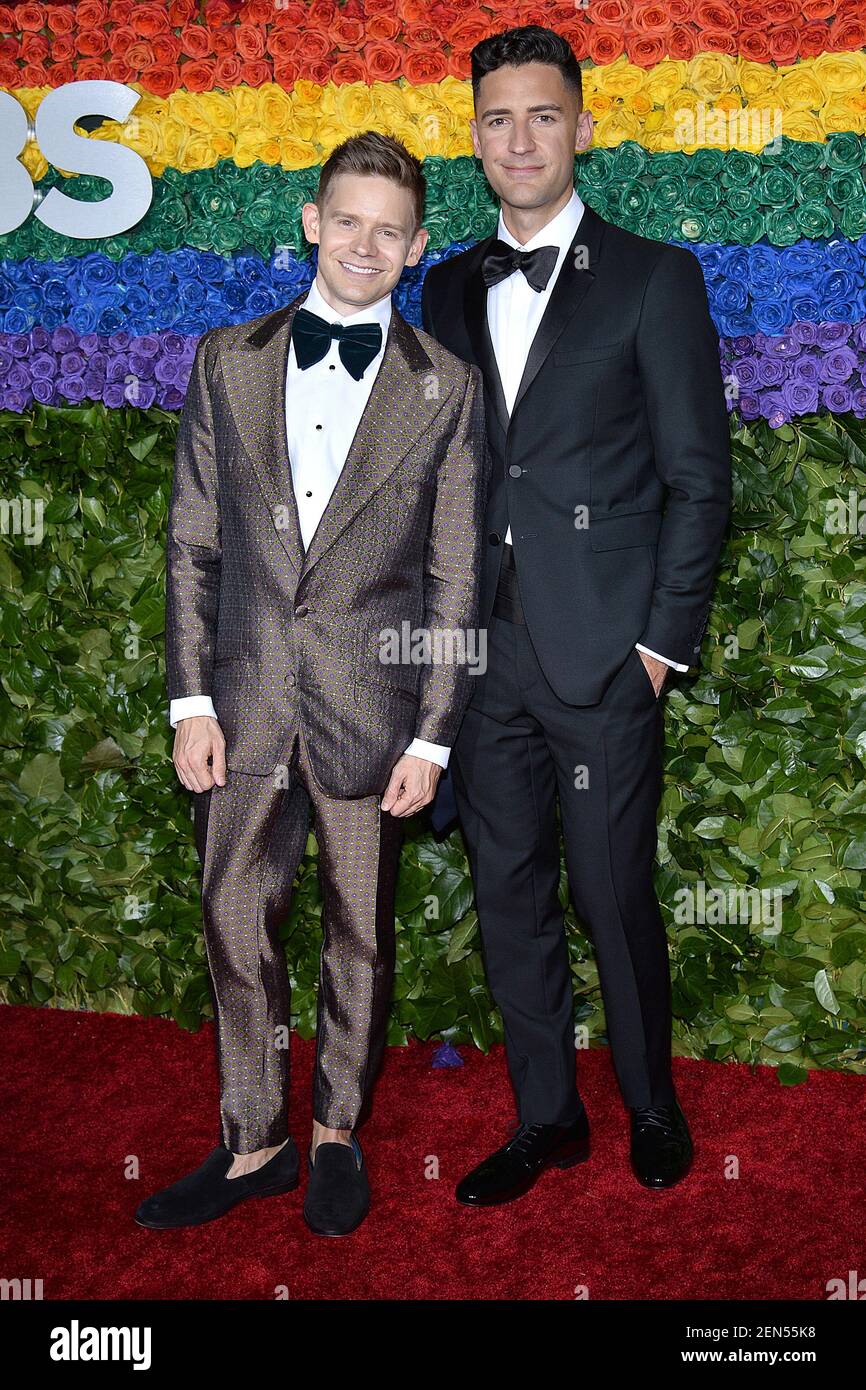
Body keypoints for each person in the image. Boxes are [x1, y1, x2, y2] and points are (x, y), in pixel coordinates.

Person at [136, 132, 489, 1237]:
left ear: (417, 246)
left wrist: (432, 736)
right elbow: (192, 543)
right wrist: (189, 699)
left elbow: (456, 576)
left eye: (390, 230)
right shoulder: (225, 361)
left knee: (360, 933)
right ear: (310, 221)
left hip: (371, 712)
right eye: (348, 220)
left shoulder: (447, 388)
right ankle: (254, 1142)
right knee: (232, 918)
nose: (365, 244)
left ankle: (335, 1128)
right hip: (239, 703)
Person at [422, 25, 731, 1205]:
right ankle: (544, 1117)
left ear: (582, 128)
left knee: (607, 893)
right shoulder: (444, 285)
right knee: (508, 894)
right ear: (474, 136)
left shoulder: (653, 277)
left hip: (603, 653)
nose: (519, 138)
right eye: (497, 117)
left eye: (541, 115)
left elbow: (697, 477)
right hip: (481, 655)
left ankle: (650, 1101)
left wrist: (657, 647)